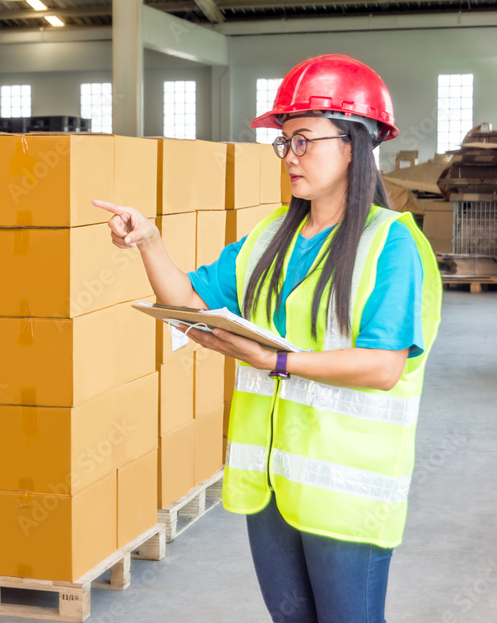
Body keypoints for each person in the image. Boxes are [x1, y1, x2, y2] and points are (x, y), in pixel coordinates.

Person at [93, 54, 442, 622]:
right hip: (273, 486)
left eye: (304, 140)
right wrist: (149, 242)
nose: (290, 156)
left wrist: (272, 360)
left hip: (346, 490)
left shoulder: (391, 244)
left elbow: (384, 366)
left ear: (354, 144)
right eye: (284, 143)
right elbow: (188, 300)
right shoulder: (271, 237)